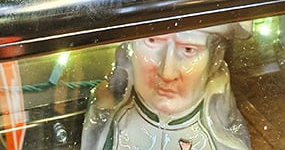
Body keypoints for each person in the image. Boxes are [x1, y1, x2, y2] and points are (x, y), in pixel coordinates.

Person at [81, 26, 251, 150]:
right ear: (130, 47)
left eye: (188, 50)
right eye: (152, 41)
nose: (167, 73)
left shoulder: (222, 134)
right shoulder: (106, 120)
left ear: (216, 58)